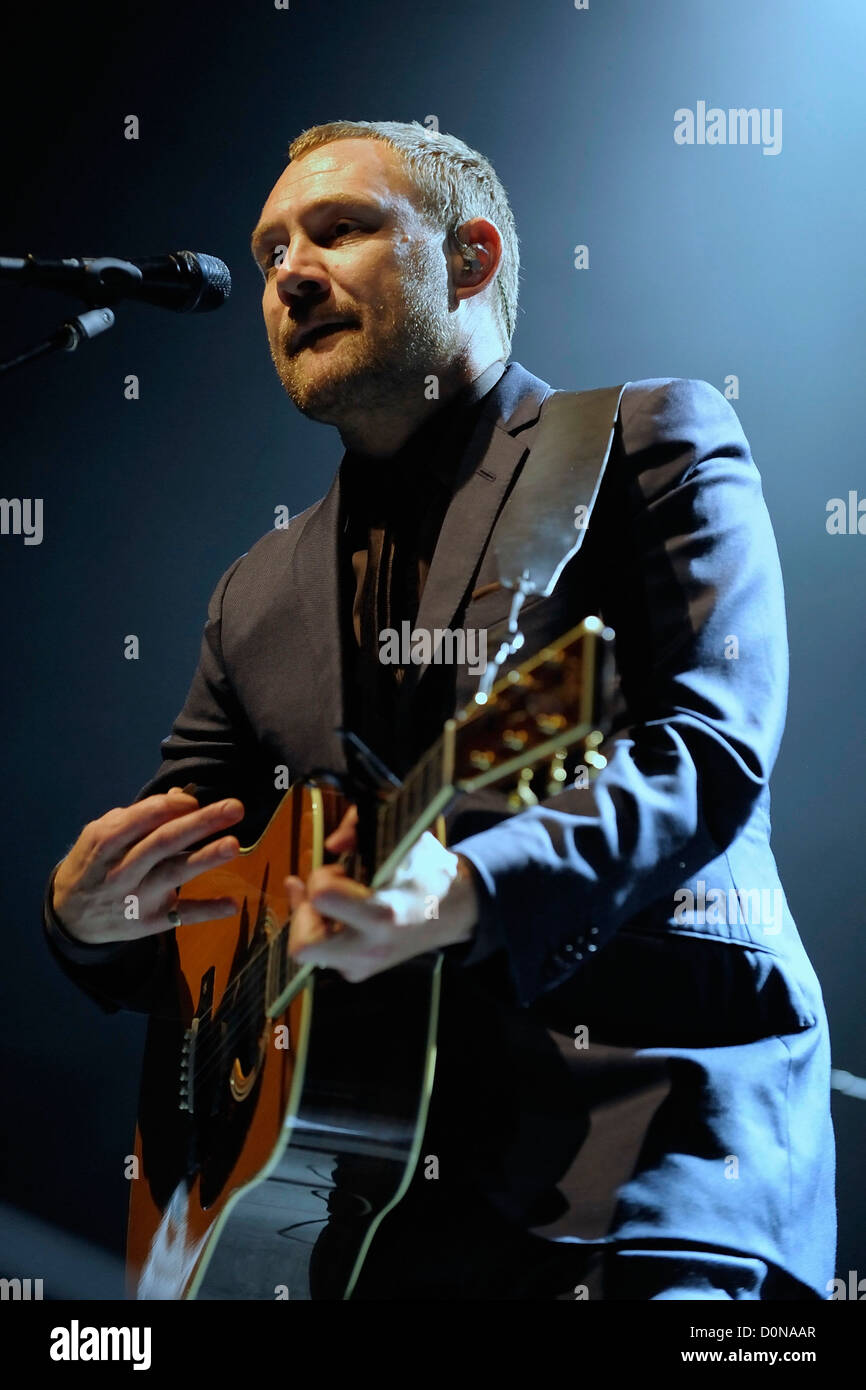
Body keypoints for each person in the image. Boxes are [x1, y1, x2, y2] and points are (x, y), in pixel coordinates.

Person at [43, 119, 836, 1300]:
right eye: (267, 252)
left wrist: (466, 887)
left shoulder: (638, 442)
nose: (289, 272)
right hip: (351, 1232)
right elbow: (195, 898)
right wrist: (87, 922)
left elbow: (707, 750)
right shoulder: (251, 595)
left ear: (468, 258)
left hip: (635, 1161)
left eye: (339, 228)